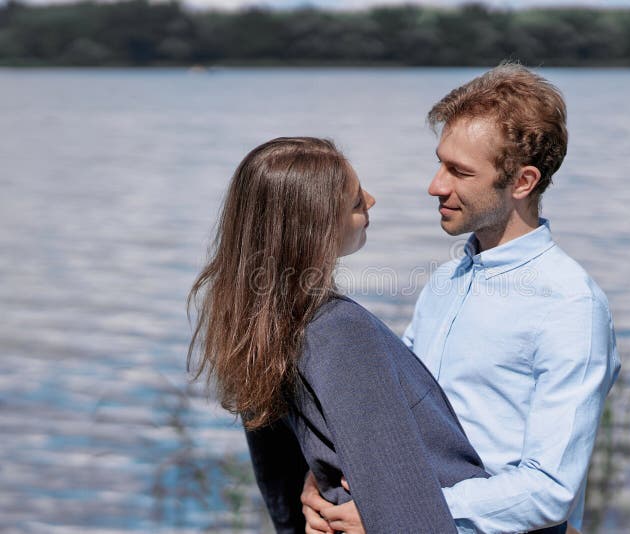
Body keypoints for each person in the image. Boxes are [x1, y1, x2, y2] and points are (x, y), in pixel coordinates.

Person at [301, 63, 621, 533]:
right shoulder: (447, 280)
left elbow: (549, 489)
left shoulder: (571, 307)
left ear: (522, 183)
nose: (436, 185)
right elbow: (390, 412)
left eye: (459, 171)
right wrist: (321, 478)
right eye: (440, 162)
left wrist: (397, 513)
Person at [186, 137, 520, 533]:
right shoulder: (339, 331)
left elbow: (279, 477)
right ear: (317, 226)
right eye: (356, 202)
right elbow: (399, 486)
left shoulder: (261, 328)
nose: (373, 200)